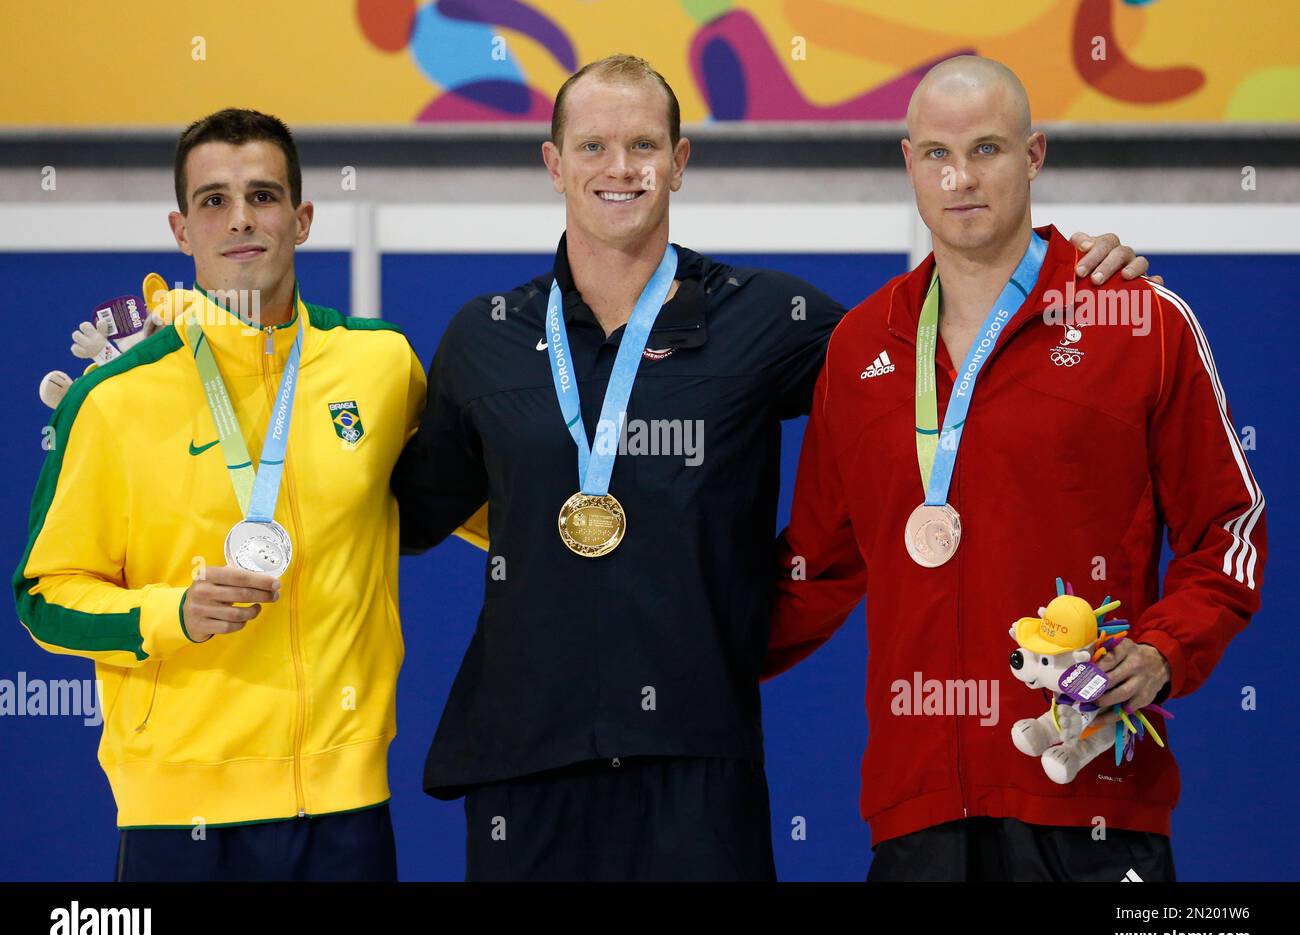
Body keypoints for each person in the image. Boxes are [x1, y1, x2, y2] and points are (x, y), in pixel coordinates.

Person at [392, 54, 1149, 881]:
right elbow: (403, 515)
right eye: (593, 146)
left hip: (699, 762)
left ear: (680, 163)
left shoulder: (766, 318)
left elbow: (945, 354)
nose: (620, 169)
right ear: (553, 163)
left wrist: (1061, 276)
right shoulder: (485, 335)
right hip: (520, 763)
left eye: (644, 144)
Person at [764, 56, 1266, 881]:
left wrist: (1166, 648)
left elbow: (1228, 529)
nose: (960, 178)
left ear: (1033, 155)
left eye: (987, 149)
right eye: (936, 154)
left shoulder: (1135, 317)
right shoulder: (859, 348)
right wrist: (673, 658)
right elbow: (815, 567)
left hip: (1092, 796)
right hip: (917, 810)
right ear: (908, 162)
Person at [13, 108, 428, 880]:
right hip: (179, 815)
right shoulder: (112, 399)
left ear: (302, 218)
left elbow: (468, 499)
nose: (241, 218)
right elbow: (44, 594)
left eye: (265, 196)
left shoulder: (382, 367)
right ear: (181, 229)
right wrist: (169, 613)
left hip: (344, 805)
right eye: (214, 201)